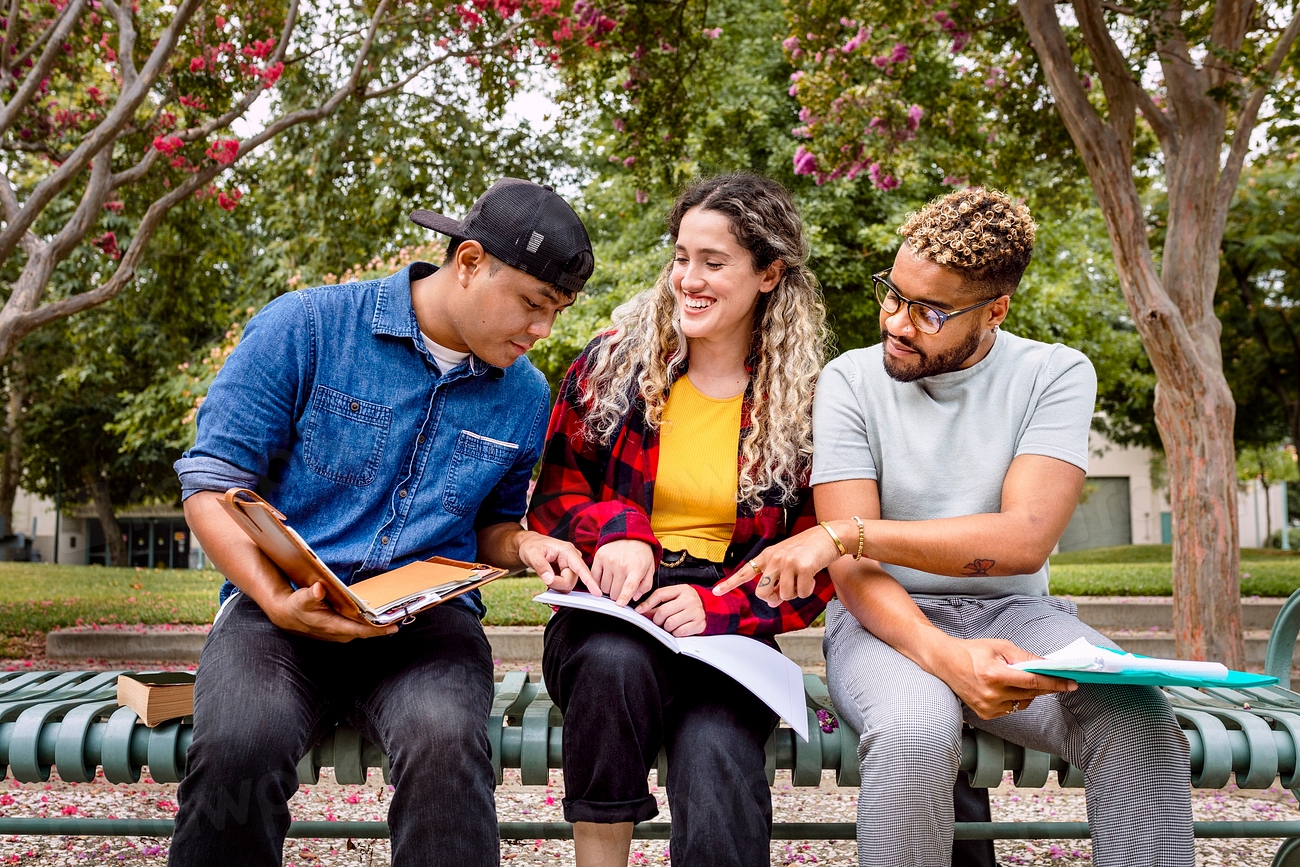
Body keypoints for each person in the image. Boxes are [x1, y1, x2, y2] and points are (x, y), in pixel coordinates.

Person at [716, 187, 1194, 866]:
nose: (898, 323)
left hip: (1020, 617)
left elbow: (1023, 539)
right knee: (915, 727)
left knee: (1138, 717)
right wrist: (947, 659)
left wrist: (849, 532)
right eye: (894, 295)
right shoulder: (850, 381)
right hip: (884, 621)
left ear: (995, 309)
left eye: (931, 311)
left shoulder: (1054, 373)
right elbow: (853, 576)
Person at [170, 178, 596, 867]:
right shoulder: (305, 327)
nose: (542, 330)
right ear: (467, 262)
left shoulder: (524, 395)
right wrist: (278, 599)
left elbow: (491, 524)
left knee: (446, 743)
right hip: (279, 606)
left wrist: (527, 542)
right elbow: (213, 485)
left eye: (557, 310)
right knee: (240, 744)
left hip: (424, 631)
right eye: (532, 303)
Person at [526, 173, 838, 867]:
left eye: (714, 262)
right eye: (681, 256)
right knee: (613, 667)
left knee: (718, 754)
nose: (687, 279)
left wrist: (719, 606)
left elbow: (816, 562)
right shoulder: (612, 366)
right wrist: (620, 529)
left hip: (724, 625)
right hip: (611, 613)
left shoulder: (807, 405)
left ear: (769, 273)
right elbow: (554, 494)